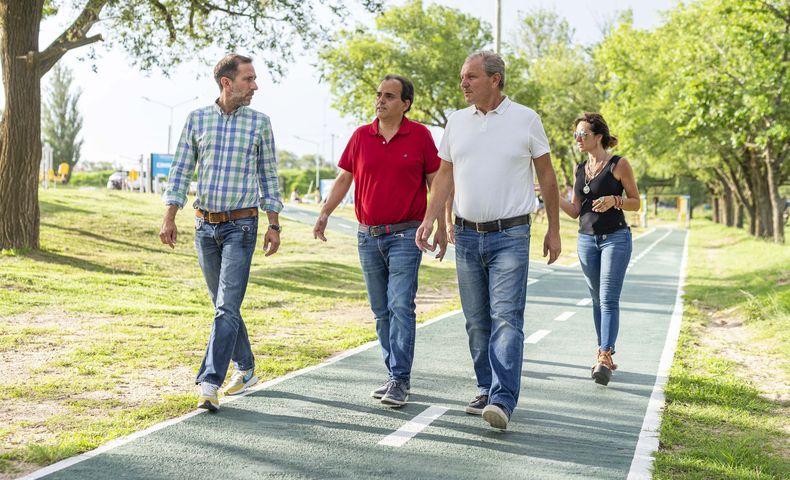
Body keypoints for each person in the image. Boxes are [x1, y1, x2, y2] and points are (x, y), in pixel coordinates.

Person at [416, 51, 561, 430]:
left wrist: (554, 228)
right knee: (477, 322)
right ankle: (486, 386)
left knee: (506, 319)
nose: (463, 83)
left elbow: (547, 177)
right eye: (463, 77)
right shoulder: (456, 122)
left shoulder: (526, 119)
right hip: (465, 235)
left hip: (511, 234)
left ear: (495, 79)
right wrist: (431, 219)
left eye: (471, 77)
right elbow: (444, 176)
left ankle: (502, 398)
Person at [314, 74, 446, 408]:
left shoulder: (420, 136)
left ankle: (400, 379)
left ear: (405, 104)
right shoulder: (361, 136)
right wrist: (325, 211)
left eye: (389, 96)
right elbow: (345, 177)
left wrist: (442, 225)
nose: (381, 100)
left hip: (406, 233)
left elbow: (437, 183)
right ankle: (393, 375)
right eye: (379, 95)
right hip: (368, 236)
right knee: (380, 310)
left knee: (400, 304)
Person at [159, 54, 283, 412]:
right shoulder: (197, 119)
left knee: (226, 306)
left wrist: (273, 224)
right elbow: (180, 171)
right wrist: (170, 217)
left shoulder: (260, 123)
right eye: (248, 79)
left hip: (242, 226)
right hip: (204, 226)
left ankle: (209, 384)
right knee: (223, 306)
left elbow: (269, 177)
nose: (255, 86)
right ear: (227, 82)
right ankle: (246, 368)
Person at [558, 112, 640, 386]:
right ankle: (602, 351)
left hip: (615, 238)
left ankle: (605, 355)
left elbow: (636, 202)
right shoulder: (579, 168)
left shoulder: (619, 164)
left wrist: (614, 200)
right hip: (586, 241)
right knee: (596, 299)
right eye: (576, 135)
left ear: (598, 137)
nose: (578, 139)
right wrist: (552, 194)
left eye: (583, 134)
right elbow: (574, 211)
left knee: (607, 298)